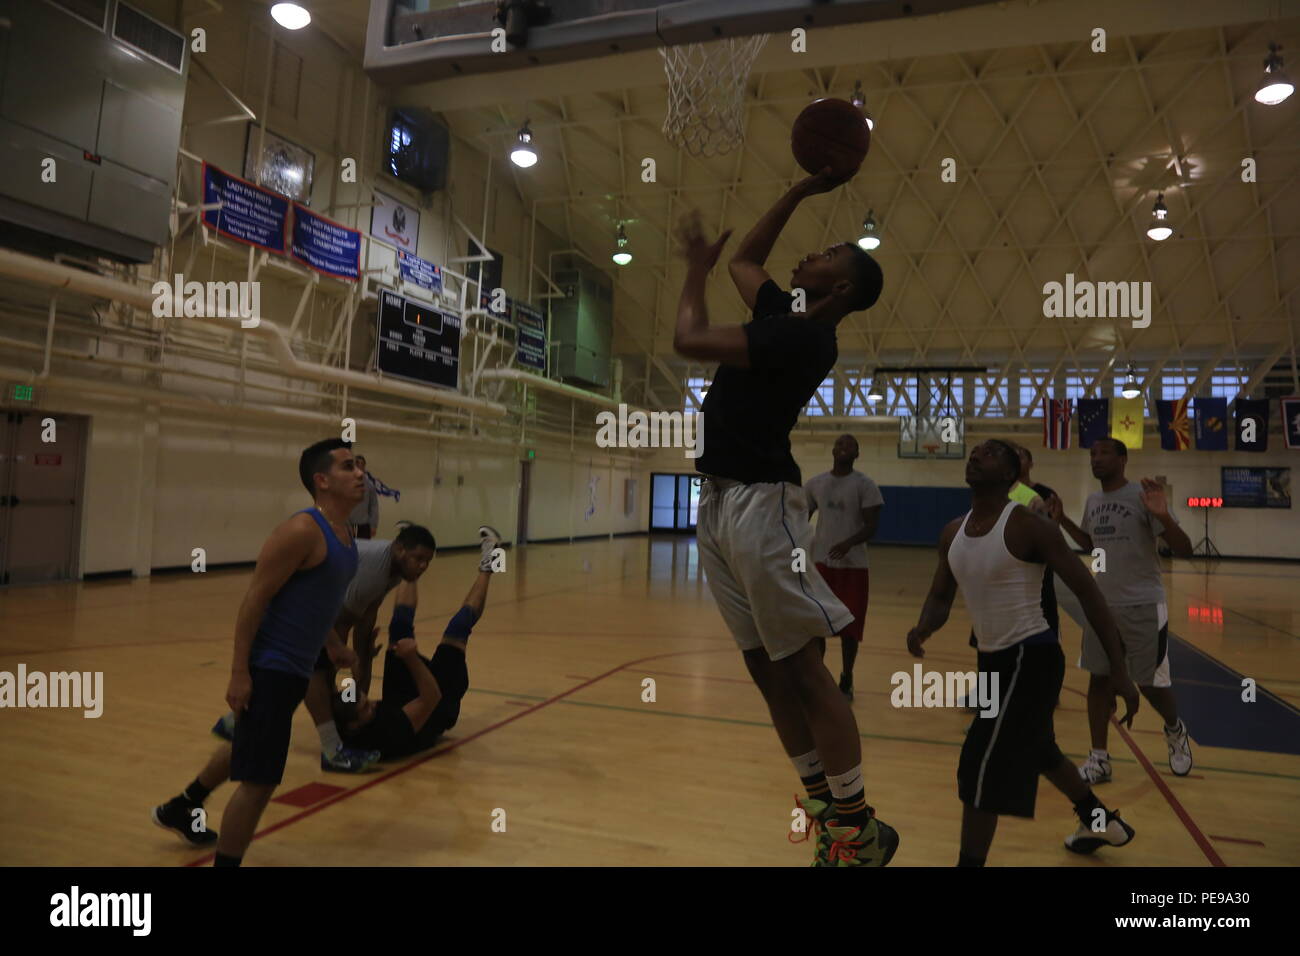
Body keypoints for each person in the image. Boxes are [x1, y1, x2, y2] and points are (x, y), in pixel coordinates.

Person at [672, 166, 894, 868]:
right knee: (766, 671)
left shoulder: (804, 338)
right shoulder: (781, 315)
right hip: (717, 504)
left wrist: (691, 273)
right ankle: (830, 814)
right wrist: (798, 189)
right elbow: (747, 260)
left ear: (839, 291)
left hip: (763, 507)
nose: (809, 252)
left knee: (802, 670)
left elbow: (690, 338)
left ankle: (857, 831)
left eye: (824, 254)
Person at [906, 440, 1142, 865]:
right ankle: (1100, 821)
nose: (977, 455)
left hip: (1031, 658)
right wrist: (923, 626)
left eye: (991, 453)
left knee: (980, 763)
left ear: (1010, 474)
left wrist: (1119, 671)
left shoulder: (1030, 527)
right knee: (1037, 749)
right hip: (995, 660)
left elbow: (1090, 594)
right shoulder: (953, 531)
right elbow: (941, 596)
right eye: (975, 450)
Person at [152, 439, 362, 866]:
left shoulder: (345, 534)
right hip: (271, 669)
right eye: (346, 467)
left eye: (358, 464)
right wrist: (239, 673)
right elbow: (255, 599)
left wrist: (334, 644)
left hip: (296, 670)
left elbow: (315, 599)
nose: (359, 473)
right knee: (260, 781)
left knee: (248, 745)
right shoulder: (302, 531)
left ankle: (183, 804)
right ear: (321, 481)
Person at [1053, 437, 1195, 782]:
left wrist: (1163, 515)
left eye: (1103, 453)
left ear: (1123, 459)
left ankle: (1175, 730)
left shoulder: (1143, 497)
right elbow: (1090, 543)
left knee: (1149, 684)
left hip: (1143, 603)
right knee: (1099, 680)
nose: (1096, 459)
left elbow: (1185, 549)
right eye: (1092, 454)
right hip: (1102, 606)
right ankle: (1099, 759)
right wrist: (1062, 522)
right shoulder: (1093, 500)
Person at [336, 526, 502, 760]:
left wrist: (360, 657)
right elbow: (430, 696)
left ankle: (409, 572)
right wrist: (411, 658)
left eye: (365, 702)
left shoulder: (348, 722)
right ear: (357, 726)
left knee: (399, 626)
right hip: (435, 705)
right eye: (367, 708)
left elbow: (356, 686)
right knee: (458, 629)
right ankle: (490, 561)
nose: (372, 703)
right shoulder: (390, 732)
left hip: (400, 697)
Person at [803, 434, 884, 699]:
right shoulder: (816, 484)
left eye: (849, 445)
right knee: (818, 624)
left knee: (850, 627)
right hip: (822, 565)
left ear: (857, 453)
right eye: (839, 443)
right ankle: (820, 678)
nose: (843, 447)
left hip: (854, 567)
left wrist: (848, 543)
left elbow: (872, 526)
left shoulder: (865, 485)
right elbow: (802, 517)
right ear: (833, 450)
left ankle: (847, 677)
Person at [350, 455, 380, 539]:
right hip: (348, 524)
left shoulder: (370, 485)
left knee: (364, 549)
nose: (359, 466)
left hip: (364, 525)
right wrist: (346, 524)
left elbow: (374, 506)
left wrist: (373, 525)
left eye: (362, 464)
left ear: (364, 466)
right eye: (357, 463)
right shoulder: (345, 483)